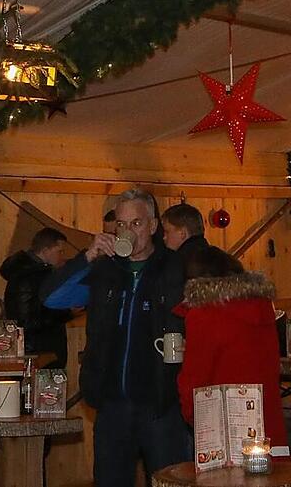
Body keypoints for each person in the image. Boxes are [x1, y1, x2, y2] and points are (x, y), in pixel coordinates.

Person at [74, 188, 189, 487]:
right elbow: (51, 298)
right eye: (121, 225)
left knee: (169, 482)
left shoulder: (176, 268)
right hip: (112, 403)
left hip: (161, 405)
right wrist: (86, 256)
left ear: (153, 226)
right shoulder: (104, 269)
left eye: (136, 224)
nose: (128, 231)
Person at [173, 247, 285, 450]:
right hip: (266, 418)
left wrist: (191, 414)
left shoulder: (204, 314)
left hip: (222, 425)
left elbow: (195, 377)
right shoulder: (263, 306)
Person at [0, 227, 75, 367]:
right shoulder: (27, 278)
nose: (62, 256)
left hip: (41, 350)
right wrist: (65, 313)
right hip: (37, 352)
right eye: (59, 251)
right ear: (45, 251)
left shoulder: (35, 274)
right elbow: (25, 322)